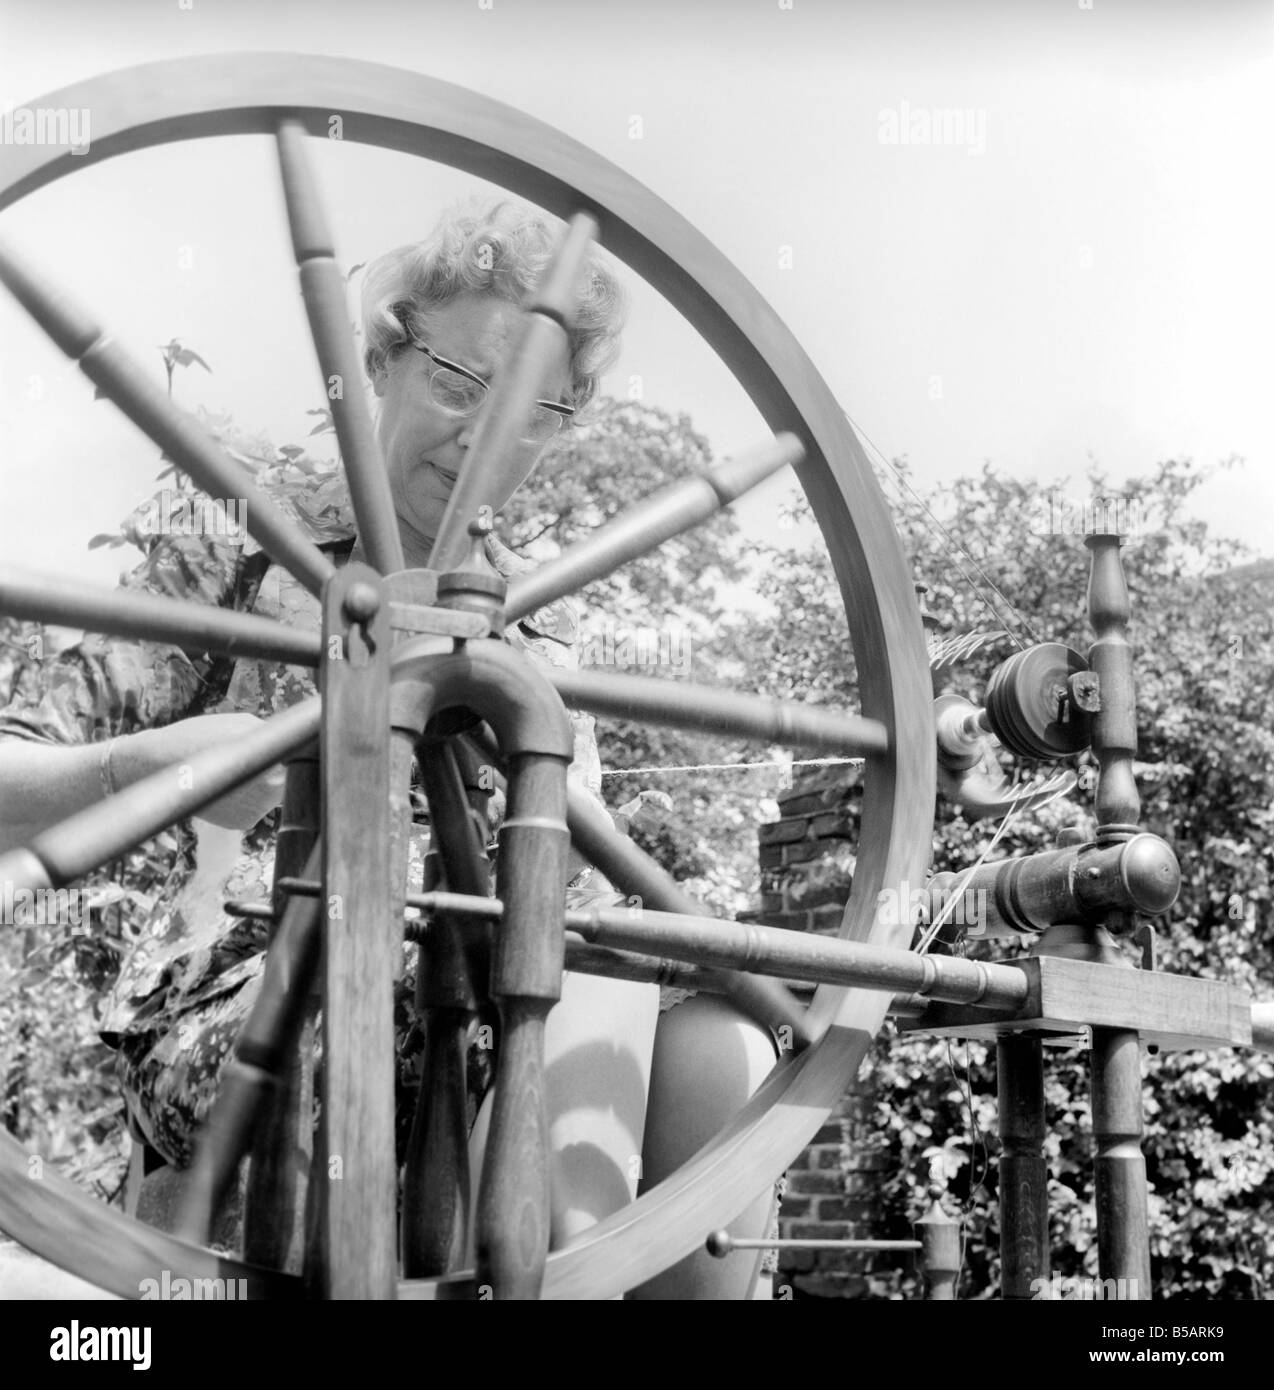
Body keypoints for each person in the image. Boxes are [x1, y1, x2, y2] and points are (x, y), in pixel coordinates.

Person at [0, 197, 778, 1298]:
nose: (482, 436)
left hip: (489, 1023)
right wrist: (150, 766)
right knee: (562, 964)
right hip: (264, 1015)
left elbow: (582, 885)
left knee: (725, 1057)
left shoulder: (544, 644)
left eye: (529, 411)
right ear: (378, 357)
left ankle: (554, 1274)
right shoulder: (232, 551)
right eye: (459, 387)